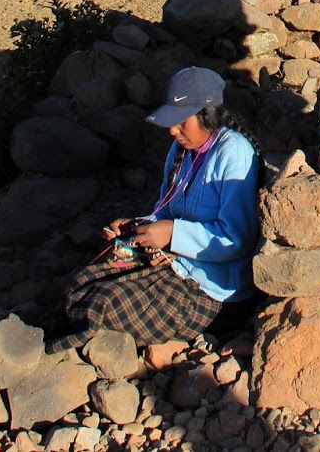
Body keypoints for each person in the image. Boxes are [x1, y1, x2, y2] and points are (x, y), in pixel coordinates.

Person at [51, 67, 262, 351]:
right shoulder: (180, 151)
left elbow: (236, 239)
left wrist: (173, 234)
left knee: (104, 304)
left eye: (181, 122)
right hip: (175, 264)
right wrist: (136, 228)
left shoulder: (234, 153)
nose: (173, 131)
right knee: (79, 285)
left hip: (213, 293)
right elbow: (164, 211)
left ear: (208, 114)